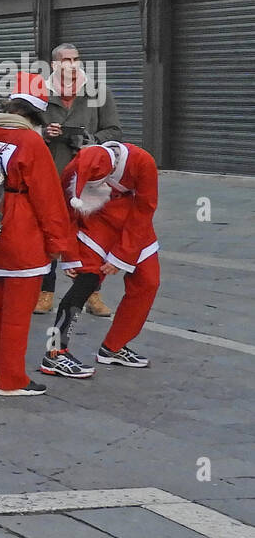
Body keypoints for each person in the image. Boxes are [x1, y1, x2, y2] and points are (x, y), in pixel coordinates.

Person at [0, 73, 76, 396]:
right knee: (16, 312)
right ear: (37, 113)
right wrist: (59, 244)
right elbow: (48, 199)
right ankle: (11, 379)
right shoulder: (32, 143)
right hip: (21, 237)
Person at [49, 141, 160, 372]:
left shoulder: (142, 161)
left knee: (148, 282)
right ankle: (55, 352)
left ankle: (114, 346)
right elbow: (65, 210)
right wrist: (69, 254)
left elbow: (145, 208)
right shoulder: (75, 166)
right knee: (87, 279)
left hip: (134, 223)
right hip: (95, 221)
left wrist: (122, 256)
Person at [35, 42, 123, 316]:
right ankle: (44, 292)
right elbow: (25, 127)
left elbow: (115, 130)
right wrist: (43, 133)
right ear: (54, 65)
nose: (71, 65)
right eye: (65, 60)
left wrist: (93, 141)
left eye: (76, 59)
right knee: (49, 235)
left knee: (90, 238)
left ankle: (91, 294)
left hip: (89, 180)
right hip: (51, 174)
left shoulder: (98, 92)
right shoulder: (40, 93)